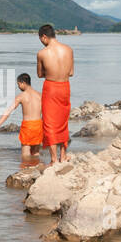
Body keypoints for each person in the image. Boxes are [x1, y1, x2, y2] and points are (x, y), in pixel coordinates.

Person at [36, 24, 74, 163]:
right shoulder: (68, 50)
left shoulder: (42, 53)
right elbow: (71, 72)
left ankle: (54, 159)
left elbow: (40, 74)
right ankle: (63, 156)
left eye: (41, 39)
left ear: (44, 37)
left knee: (49, 123)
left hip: (51, 87)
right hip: (65, 87)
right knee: (63, 122)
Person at [0, 73, 43, 162]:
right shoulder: (40, 95)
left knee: (25, 154)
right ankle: (36, 167)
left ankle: (26, 170)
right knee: (35, 152)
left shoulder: (21, 96)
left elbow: (8, 111)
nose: (18, 87)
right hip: (39, 125)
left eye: (18, 84)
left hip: (28, 126)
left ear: (22, 83)